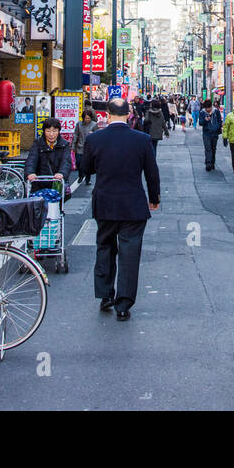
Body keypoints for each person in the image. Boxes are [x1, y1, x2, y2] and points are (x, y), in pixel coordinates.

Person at [79, 97, 160, 321]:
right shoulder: (142, 139)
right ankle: (123, 305)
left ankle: (105, 295)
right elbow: (152, 172)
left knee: (105, 247)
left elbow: (85, 169)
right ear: (128, 114)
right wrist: (154, 197)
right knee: (129, 254)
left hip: (105, 202)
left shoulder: (95, 139)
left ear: (107, 114)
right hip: (133, 204)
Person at [25, 117, 72, 197]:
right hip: (40, 182)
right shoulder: (38, 143)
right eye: (48, 131)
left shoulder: (64, 145)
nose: (51, 134)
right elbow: (31, 159)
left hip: (57, 183)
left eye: (54, 131)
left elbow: (66, 161)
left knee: (56, 207)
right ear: (44, 131)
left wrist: (62, 173)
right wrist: (30, 172)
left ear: (58, 131)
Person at [73, 108, 99, 187]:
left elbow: (97, 136)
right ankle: (81, 175)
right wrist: (73, 146)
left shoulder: (94, 125)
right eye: (86, 118)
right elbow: (75, 135)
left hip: (89, 148)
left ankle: (88, 179)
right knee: (78, 162)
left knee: (88, 164)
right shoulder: (79, 124)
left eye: (88, 118)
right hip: (80, 147)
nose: (87, 120)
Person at [197, 99, 222, 171]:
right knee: (208, 148)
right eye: (206, 108)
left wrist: (217, 127)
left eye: (209, 108)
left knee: (213, 148)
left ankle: (212, 163)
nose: (207, 109)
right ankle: (208, 163)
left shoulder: (216, 111)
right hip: (206, 133)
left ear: (211, 106)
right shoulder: (202, 112)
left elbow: (219, 121)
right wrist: (205, 120)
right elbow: (201, 123)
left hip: (214, 133)